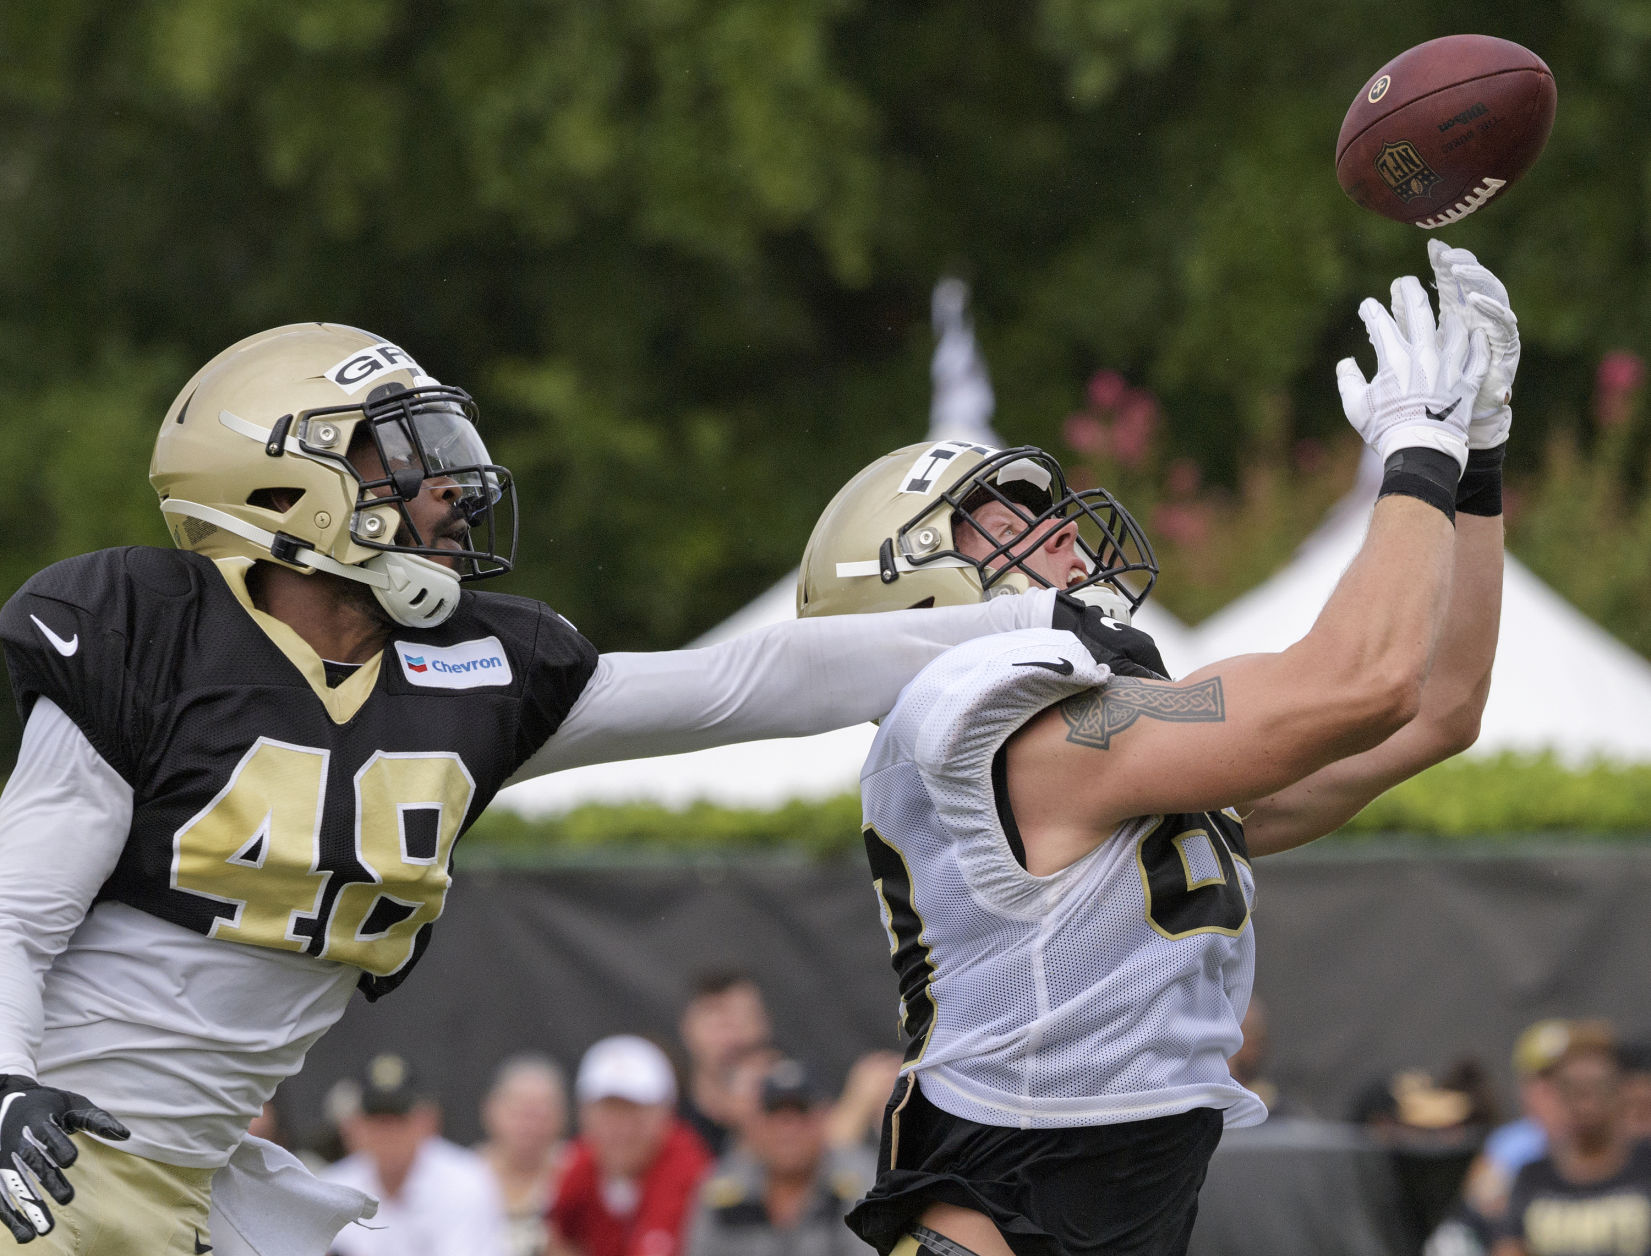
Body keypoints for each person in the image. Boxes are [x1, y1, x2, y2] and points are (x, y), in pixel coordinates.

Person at [0, 323, 1082, 1253]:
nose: (445, 482)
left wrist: (1031, 622)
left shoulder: (474, 675)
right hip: (38, 1158)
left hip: (185, 1180)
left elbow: (735, 680)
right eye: (397, 449)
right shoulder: (149, 635)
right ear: (287, 482)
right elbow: (14, 911)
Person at [792, 242, 1517, 1256]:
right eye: (996, 520)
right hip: (1009, 1219)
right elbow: (1365, 679)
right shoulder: (1043, 737)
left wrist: (1475, 462)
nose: (1053, 531)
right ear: (903, 589)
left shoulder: (1111, 750)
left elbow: (1437, 705)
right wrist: (1415, 452)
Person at [320, 1054, 510, 1256]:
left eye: (399, 1120)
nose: (388, 1134)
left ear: (428, 1121)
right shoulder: (332, 1190)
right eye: (376, 1121)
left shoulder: (466, 1181)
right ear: (352, 1127)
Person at [1490, 1023, 1651, 1256]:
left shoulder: (1645, 1167)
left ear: (1619, 1091)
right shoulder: (1532, 1177)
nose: (1584, 1104)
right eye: (1573, 1089)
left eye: (1596, 1087)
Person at [686, 1059, 875, 1256]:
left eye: (801, 1113)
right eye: (774, 1113)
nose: (788, 1130)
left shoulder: (861, 1182)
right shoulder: (723, 1187)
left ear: (823, 1118)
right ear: (755, 1123)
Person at [550, 1036, 711, 1256]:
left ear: (666, 1114)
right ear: (584, 1115)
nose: (621, 1129)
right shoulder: (576, 1170)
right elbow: (561, 1241)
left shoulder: (692, 1176)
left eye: (635, 1113)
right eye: (608, 1112)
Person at [477, 1055, 572, 1256]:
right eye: (519, 1113)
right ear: (491, 1110)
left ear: (562, 1117)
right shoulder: (465, 1176)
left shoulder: (577, 1173)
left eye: (540, 1114)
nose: (529, 1126)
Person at [678, 974, 775, 1157]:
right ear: (687, 1028)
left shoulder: (798, 1117)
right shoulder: (669, 1124)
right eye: (714, 1018)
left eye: (742, 1017)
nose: (728, 1034)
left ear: (764, 1025)